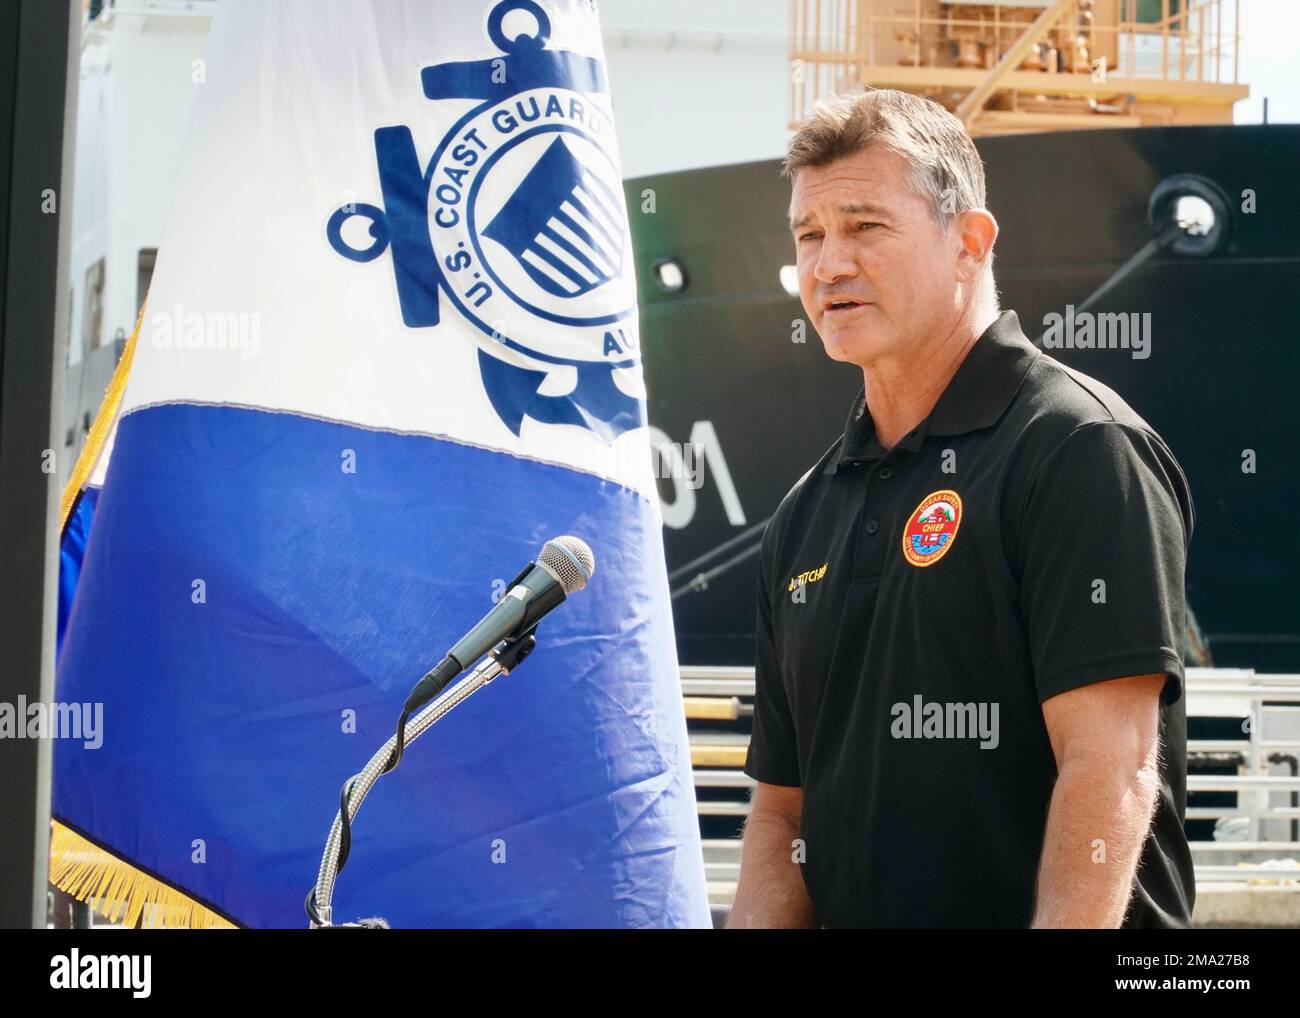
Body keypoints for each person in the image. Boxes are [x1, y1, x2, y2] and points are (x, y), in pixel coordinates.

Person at [727, 89, 1196, 928]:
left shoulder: (1079, 449)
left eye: (866, 226)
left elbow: (1110, 769)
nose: (828, 264)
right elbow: (781, 814)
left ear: (969, 244)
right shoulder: (804, 513)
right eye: (809, 235)